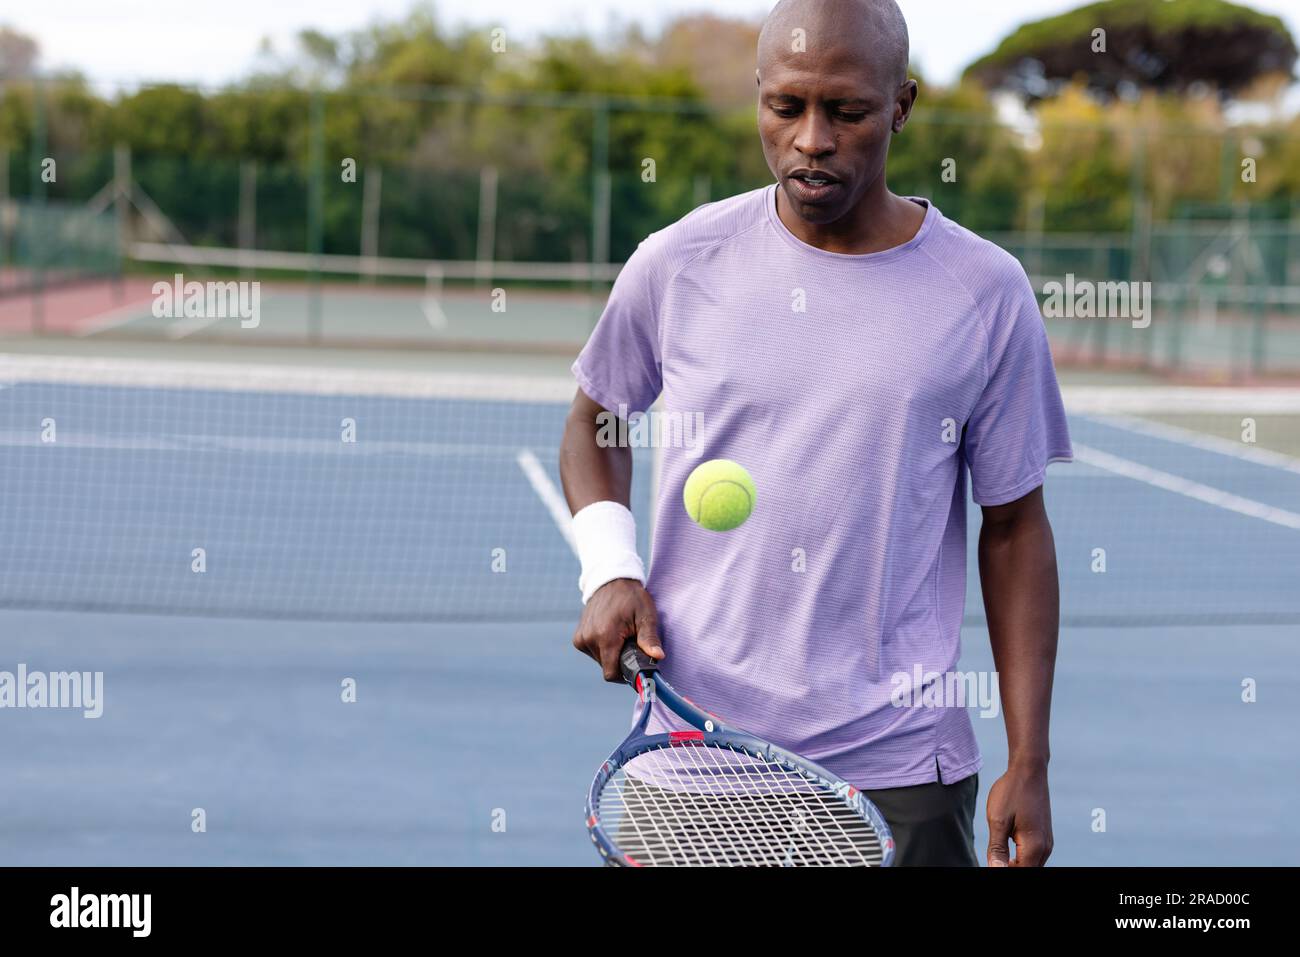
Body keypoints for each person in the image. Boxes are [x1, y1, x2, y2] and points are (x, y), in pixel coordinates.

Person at [559, 0, 1072, 867]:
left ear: (901, 106)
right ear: (759, 95)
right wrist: (610, 566)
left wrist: (1030, 759)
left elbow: (1016, 528)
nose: (811, 138)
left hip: (900, 774)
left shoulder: (985, 291)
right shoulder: (677, 262)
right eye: (786, 106)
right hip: (690, 770)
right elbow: (594, 419)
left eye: (847, 111)